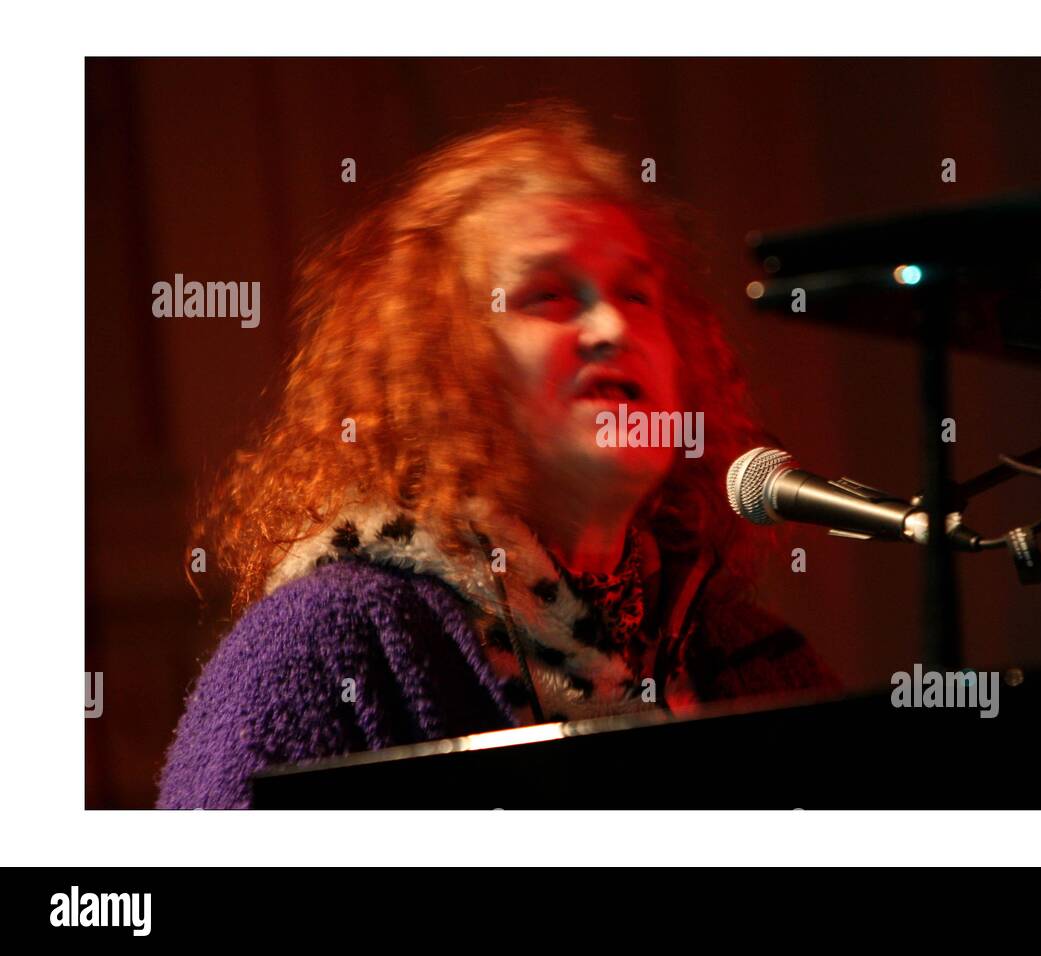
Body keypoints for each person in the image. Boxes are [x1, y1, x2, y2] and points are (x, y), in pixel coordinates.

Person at [157, 104, 839, 809]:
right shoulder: (330, 643)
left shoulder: (758, 662)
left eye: (636, 294)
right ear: (440, 366)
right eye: (546, 296)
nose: (611, 327)